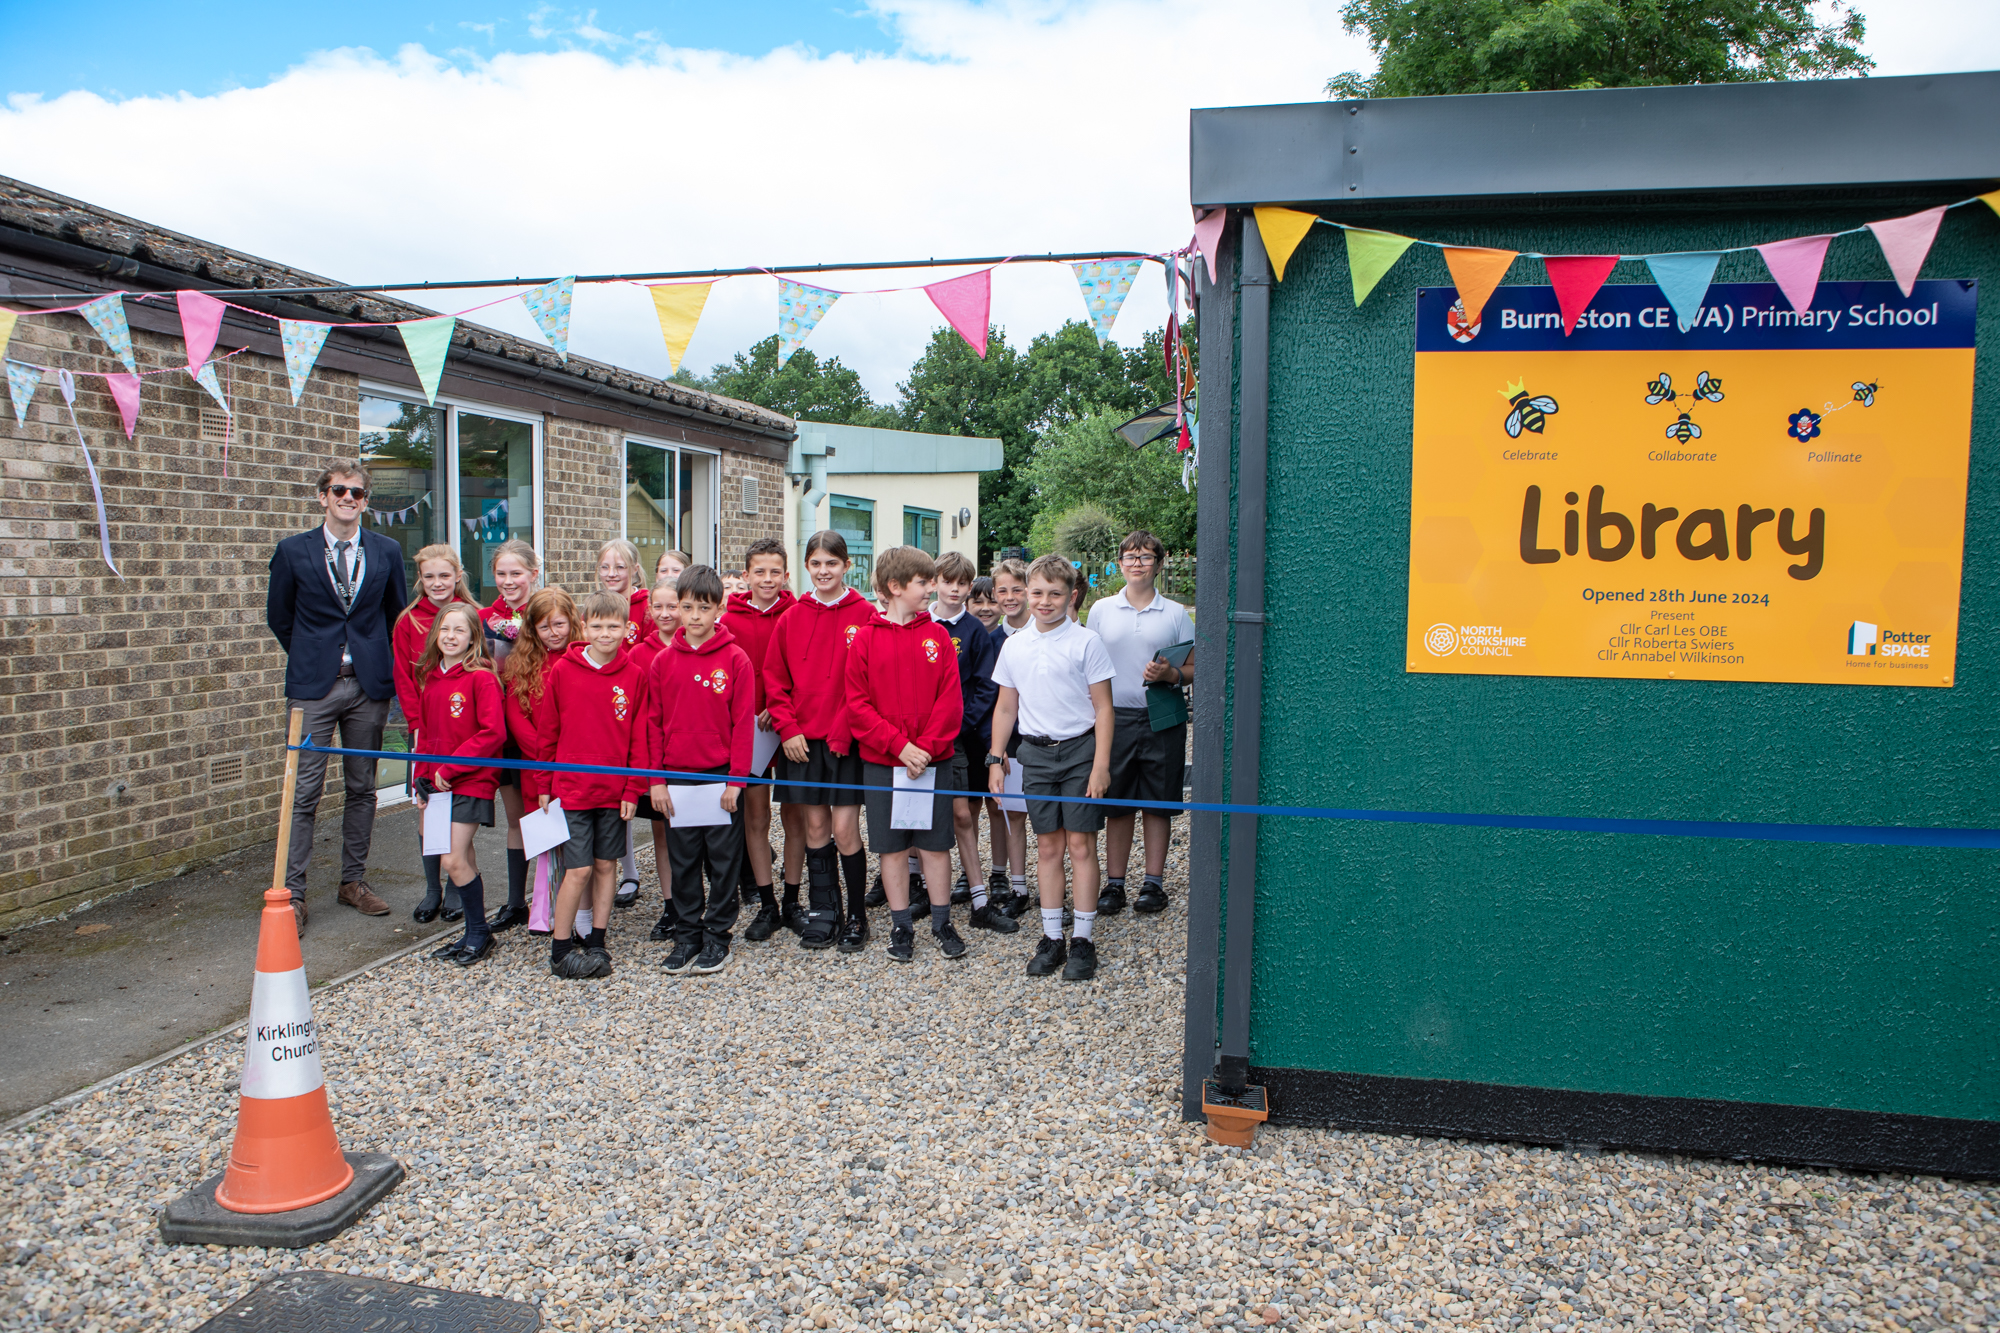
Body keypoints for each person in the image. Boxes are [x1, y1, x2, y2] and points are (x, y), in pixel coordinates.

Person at [265, 461, 409, 936]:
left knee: (362, 788)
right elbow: (280, 618)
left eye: (358, 493)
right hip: (315, 687)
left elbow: (394, 618)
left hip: (367, 687)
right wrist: (316, 658)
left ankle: (353, 882)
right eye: (340, 491)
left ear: (366, 500)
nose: (349, 498)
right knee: (303, 791)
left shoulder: (386, 550)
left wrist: (368, 660)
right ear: (322, 496)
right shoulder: (293, 551)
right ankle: (294, 893)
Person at [987, 555, 1116, 982]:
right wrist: (996, 757)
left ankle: (1082, 938)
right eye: (1037, 592)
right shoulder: (1014, 645)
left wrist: (1100, 765)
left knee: (1080, 844)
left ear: (1071, 596)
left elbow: (1103, 708)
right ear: (1026, 591)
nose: (1045, 602)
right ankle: (1050, 936)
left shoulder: (1086, 642)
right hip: (1036, 755)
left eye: (1055, 594)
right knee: (1047, 847)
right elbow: (1006, 707)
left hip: (1080, 752)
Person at [844, 546, 966, 963]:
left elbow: (950, 701)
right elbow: (858, 707)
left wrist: (926, 750)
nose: (932, 588)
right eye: (924, 582)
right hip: (884, 762)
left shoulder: (937, 637)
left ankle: (941, 921)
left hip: (933, 761)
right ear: (895, 587)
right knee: (892, 848)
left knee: (934, 846)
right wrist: (900, 747)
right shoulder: (864, 639)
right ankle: (900, 925)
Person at [764, 530, 877, 952]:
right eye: (816, 563)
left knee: (846, 829)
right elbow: (774, 679)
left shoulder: (864, 614)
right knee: (814, 826)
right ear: (807, 567)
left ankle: (856, 917)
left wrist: (846, 729)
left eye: (832, 563)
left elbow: (869, 682)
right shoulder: (791, 617)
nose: (824, 571)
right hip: (802, 742)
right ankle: (824, 910)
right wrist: (788, 729)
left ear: (847, 566)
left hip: (844, 740)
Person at [646, 565, 756, 975]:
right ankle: (687, 935)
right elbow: (652, 724)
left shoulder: (736, 660)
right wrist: (656, 781)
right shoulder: (662, 661)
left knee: (724, 861)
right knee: (684, 861)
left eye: (703, 608)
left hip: (720, 778)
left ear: (719, 610)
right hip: (678, 780)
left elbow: (743, 725)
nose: (693, 616)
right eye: (686, 607)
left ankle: (717, 938)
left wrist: (736, 781)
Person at [537, 591, 650, 980]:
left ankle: (598, 940)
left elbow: (640, 738)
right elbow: (547, 732)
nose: (606, 633)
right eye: (598, 625)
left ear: (626, 629)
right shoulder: (563, 673)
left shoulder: (634, 676)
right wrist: (544, 783)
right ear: (584, 627)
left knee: (606, 866)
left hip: (615, 793)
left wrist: (633, 789)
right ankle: (560, 948)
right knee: (578, 870)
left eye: (614, 626)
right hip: (573, 790)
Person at [1087, 531, 1194, 916]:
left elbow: (1194, 668)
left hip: (1162, 716)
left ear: (1159, 564)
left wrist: (1169, 674)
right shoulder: (1101, 610)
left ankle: (1153, 882)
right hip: (1114, 717)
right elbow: (1088, 664)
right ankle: (1115, 884)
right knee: (1117, 803)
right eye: (1130, 557)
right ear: (1120, 563)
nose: (1137, 563)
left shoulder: (1176, 613)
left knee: (1157, 801)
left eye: (1146, 557)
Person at [391, 545, 482, 925]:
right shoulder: (407, 621)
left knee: (460, 813)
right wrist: (416, 723)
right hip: (425, 730)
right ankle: (433, 888)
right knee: (428, 809)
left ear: (457, 576)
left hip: (462, 730)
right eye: (429, 577)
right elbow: (403, 676)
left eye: (444, 575)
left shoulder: (472, 616)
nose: (437, 583)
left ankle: (460, 884)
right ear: (420, 580)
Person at [411, 604, 506, 966]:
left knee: (452, 859)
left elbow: (493, 732)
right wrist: (420, 778)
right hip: (436, 785)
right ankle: (473, 929)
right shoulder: (431, 677)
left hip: (471, 780)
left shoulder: (481, 677)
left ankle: (480, 932)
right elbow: (426, 735)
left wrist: (450, 768)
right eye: (445, 629)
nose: (451, 636)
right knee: (460, 857)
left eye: (460, 630)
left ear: (473, 638)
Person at [929, 552, 1015, 934]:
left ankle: (980, 898)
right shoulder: (918, 624)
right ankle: (921, 891)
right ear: (934, 582)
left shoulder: (974, 631)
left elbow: (985, 687)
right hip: (914, 740)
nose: (956, 589)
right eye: (948, 581)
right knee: (920, 815)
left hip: (957, 738)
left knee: (963, 814)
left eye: (963, 584)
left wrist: (957, 724)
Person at [720, 538, 798, 942]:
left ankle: (793, 897)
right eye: (759, 572)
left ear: (786, 576)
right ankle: (766, 901)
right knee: (756, 816)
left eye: (775, 572)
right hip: (747, 730)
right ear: (746, 576)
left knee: (795, 815)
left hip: (787, 728)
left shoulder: (797, 613)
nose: (767, 579)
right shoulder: (727, 620)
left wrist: (781, 709)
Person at [498, 587, 578, 931]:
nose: (553, 633)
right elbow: (516, 717)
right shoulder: (521, 664)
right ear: (532, 629)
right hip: (538, 766)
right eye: (544, 627)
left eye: (559, 624)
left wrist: (567, 757)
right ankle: (544, 909)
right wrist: (546, 758)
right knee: (545, 836)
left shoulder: (583, 657)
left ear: (571, 622)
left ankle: (576, 910)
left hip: (575, 764)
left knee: (576, 838)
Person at [481, 539, 542, 930]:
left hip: (537, 725)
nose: (508, 581)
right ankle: (515, 900)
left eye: (516, 573)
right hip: (500, 728)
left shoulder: (546, 613)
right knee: (516, 817)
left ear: (533, 575)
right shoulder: (483, 617)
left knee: (546, 812)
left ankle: (549, 896)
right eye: (501, 574)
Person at [633, 574, 680, 941]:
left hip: (689, 758)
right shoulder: (639, 654)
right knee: (663, 836)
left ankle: (696, 901)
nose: (666, 613)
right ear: (648, 611)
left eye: (673, 606)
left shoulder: (691, 647)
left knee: (693, 835)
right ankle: (671, 905)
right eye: (658, 607)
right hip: (656, 758)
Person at [986, 558, 1032, 913]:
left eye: (1018, 589)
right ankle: (1019, 888)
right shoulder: (991, 640)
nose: (1010, 596)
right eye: (1003, 590)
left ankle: (1056, 890)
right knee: (1014, 813)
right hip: (1011, 742)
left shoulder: (1044, 631)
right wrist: (996, 749)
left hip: (1046, 737)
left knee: (1052, 820)